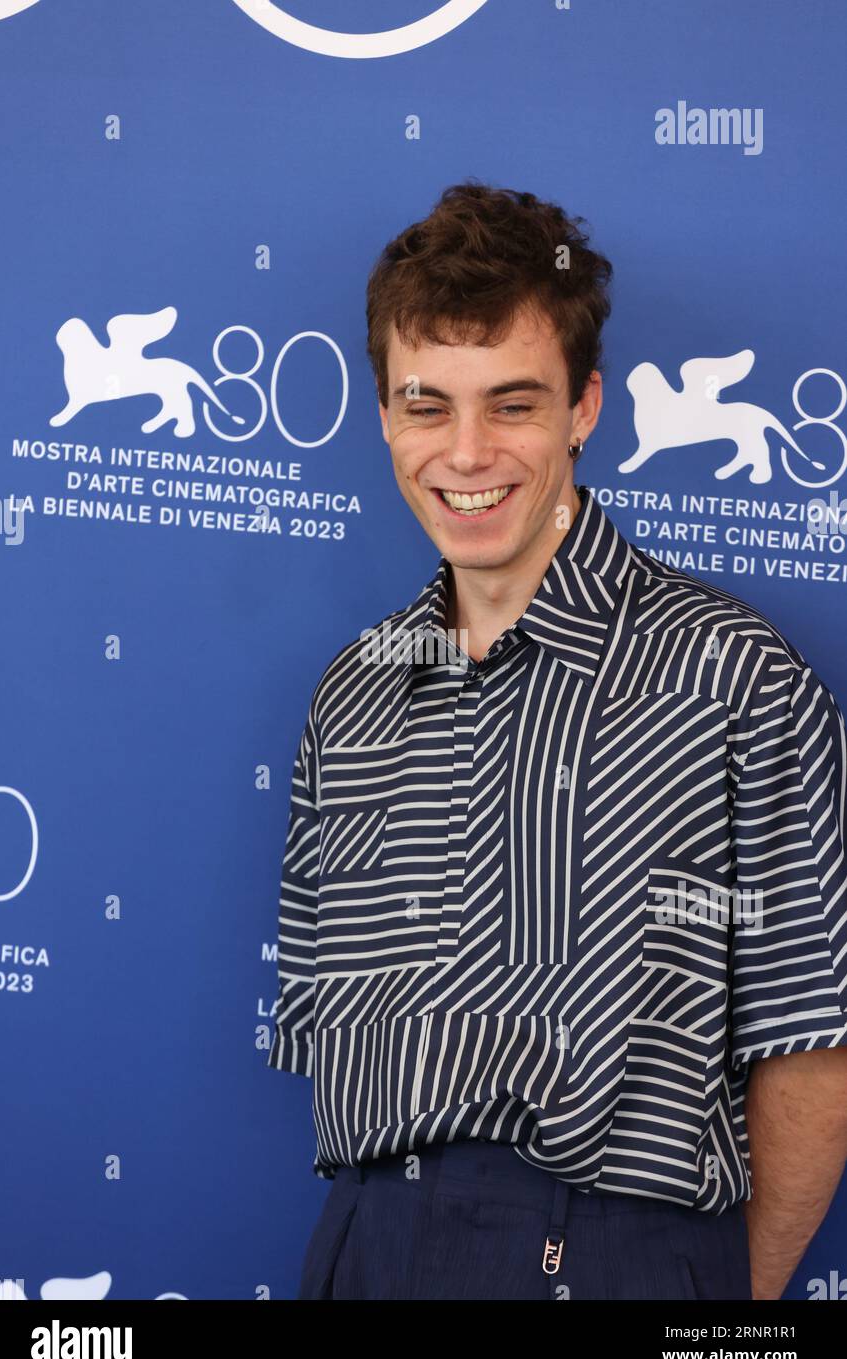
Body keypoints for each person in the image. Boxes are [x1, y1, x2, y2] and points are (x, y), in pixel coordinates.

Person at [267, 180, 847, 1300]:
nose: (466, 451)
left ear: (583, 407)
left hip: (624, 1253)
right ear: (384, 414)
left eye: (513, 404)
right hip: (366, 1246)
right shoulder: (348, 695)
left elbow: (810, 1048)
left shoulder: (731, 674)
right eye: (426, 404)